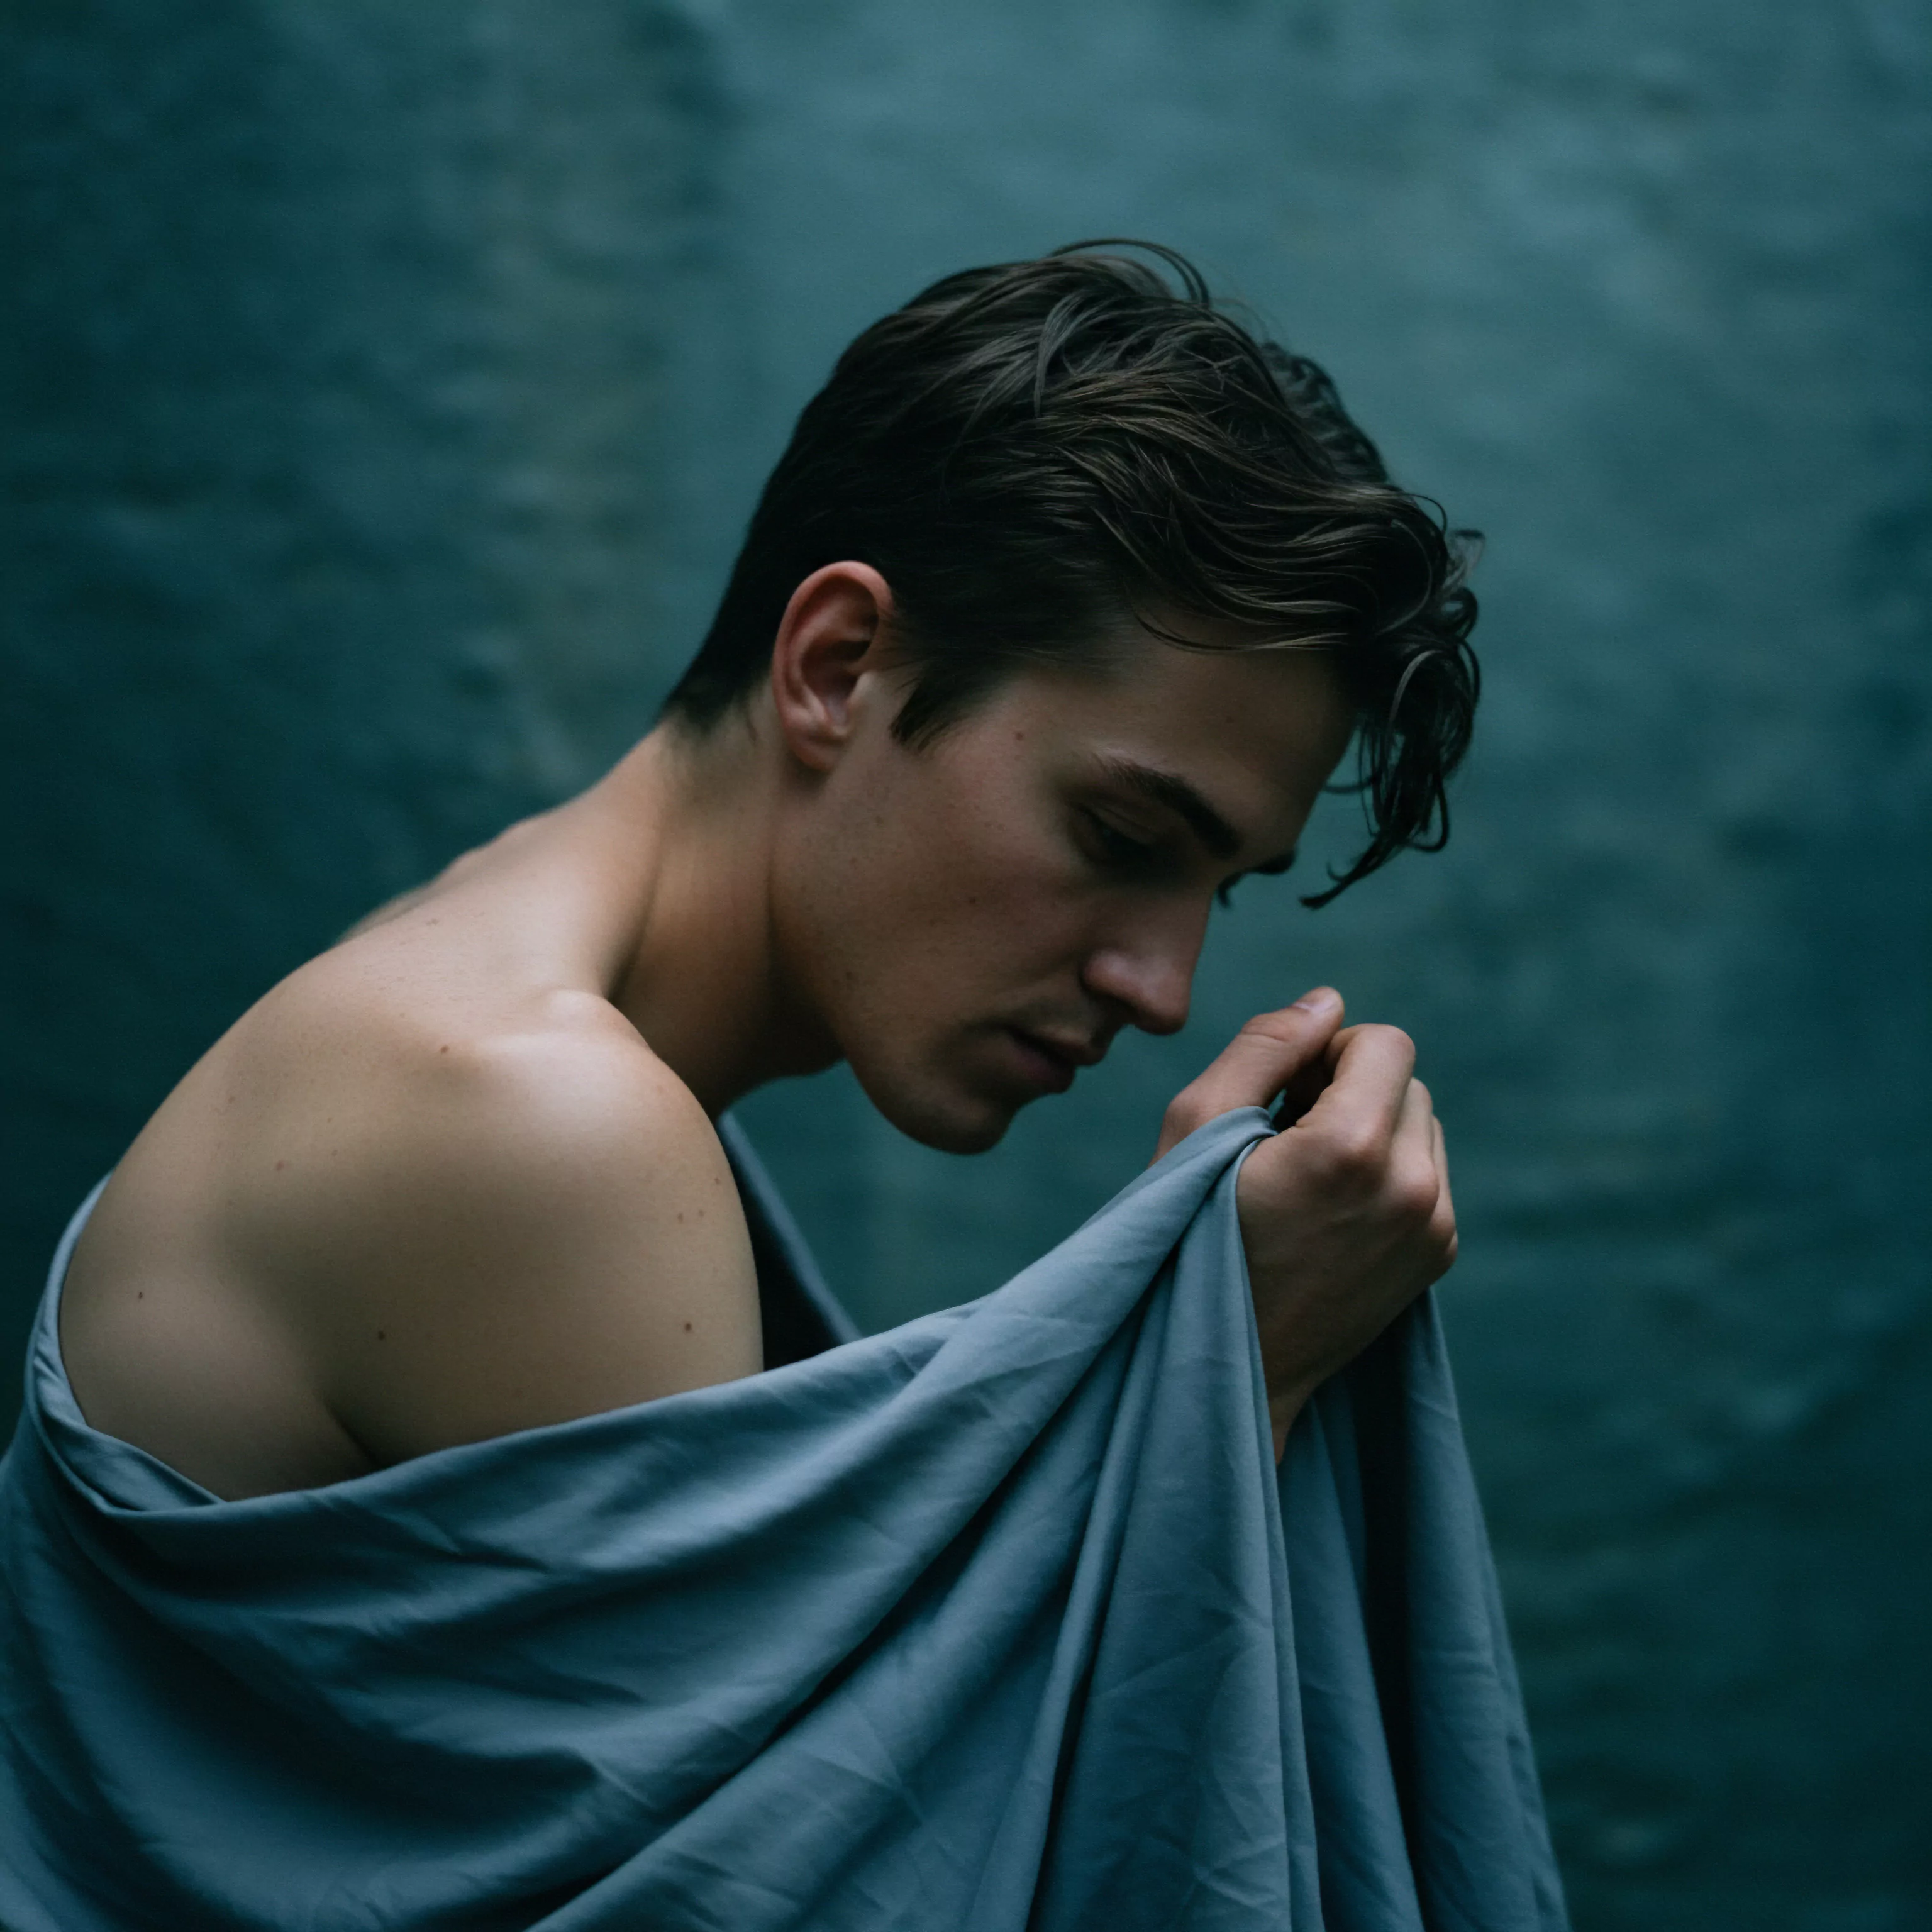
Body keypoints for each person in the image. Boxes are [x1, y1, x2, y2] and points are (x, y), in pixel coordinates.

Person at [54, 244, 1475, 1499]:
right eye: (1122, 840)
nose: (1162, 990)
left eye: (1218, 888)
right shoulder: (531, 1114)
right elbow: (826, 1809)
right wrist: (1231, 1371)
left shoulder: (469, 969)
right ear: (837, 667)